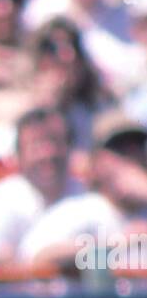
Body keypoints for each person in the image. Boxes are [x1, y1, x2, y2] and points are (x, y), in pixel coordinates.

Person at [18, 112, 147, 264]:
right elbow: (36, 256)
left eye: (138, 147)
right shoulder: (81, 210)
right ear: (96, 161)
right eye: (119, 149)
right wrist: (115, 244)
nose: (130, 158)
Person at [0, 107, 88, 259]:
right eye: (36, 145)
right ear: (18, 155)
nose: (48, 154)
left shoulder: (87, 195)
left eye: (55, 142)